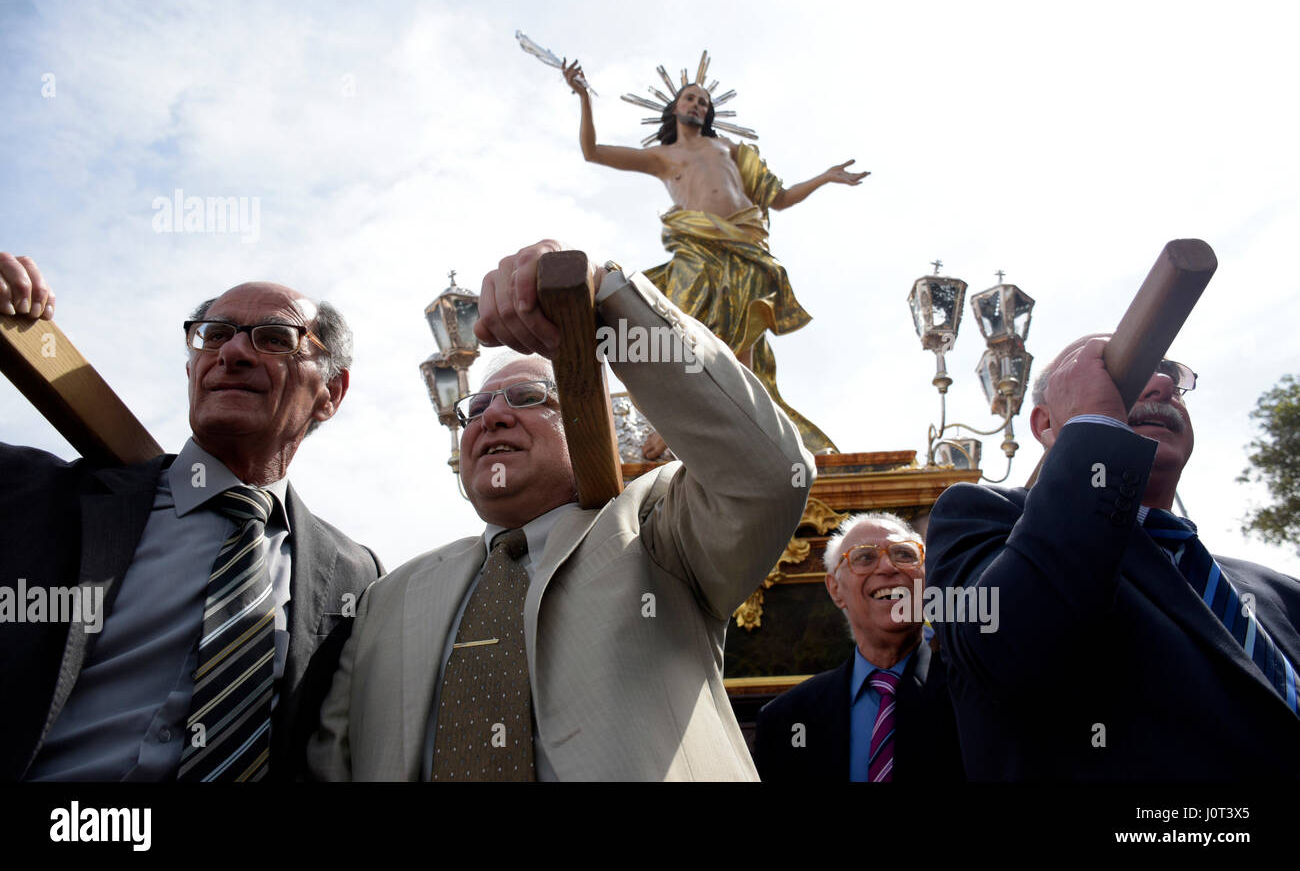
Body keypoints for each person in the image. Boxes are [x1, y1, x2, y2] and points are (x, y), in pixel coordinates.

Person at [307, 239, 814, 781]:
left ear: (588, 419)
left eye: (527, 398)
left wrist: (606, 301)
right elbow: (329, 764)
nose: (491, 418)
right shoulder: (386, 598)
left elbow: (765, 473)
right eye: (474, 409)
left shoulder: (659, 533)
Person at [0, 252, 383, 781]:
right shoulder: (29, 494)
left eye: (273, 339)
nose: (232, 353)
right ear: (192, 370)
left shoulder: (356, 577)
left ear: (331, 393)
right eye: (215, 334)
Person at [927, 334, 1300, 779]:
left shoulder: (1278, 590)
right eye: (1127, 372)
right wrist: (1096, 430)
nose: (1161, 384)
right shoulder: (979, 520)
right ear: (1046, 425)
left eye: (1171, 376)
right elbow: (1013, 650)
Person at [560, 59, 867, 455]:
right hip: (696, 248)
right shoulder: (662, 157)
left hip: (746, 247)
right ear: (675, 107)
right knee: (679, 333)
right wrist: (584, 96)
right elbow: (593, 152)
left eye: (704, 102)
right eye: (690, 99)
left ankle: (750, 428)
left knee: (741, 345)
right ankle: (678, 423)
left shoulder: (731, 149)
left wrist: (824, 177)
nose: (698, 106)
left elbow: (781, 198)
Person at [753, 512, 962, 782]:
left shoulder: (974, 697)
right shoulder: (785, 719)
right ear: (836, 590)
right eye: (864, 557)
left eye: (904, 555)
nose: (887, 566)